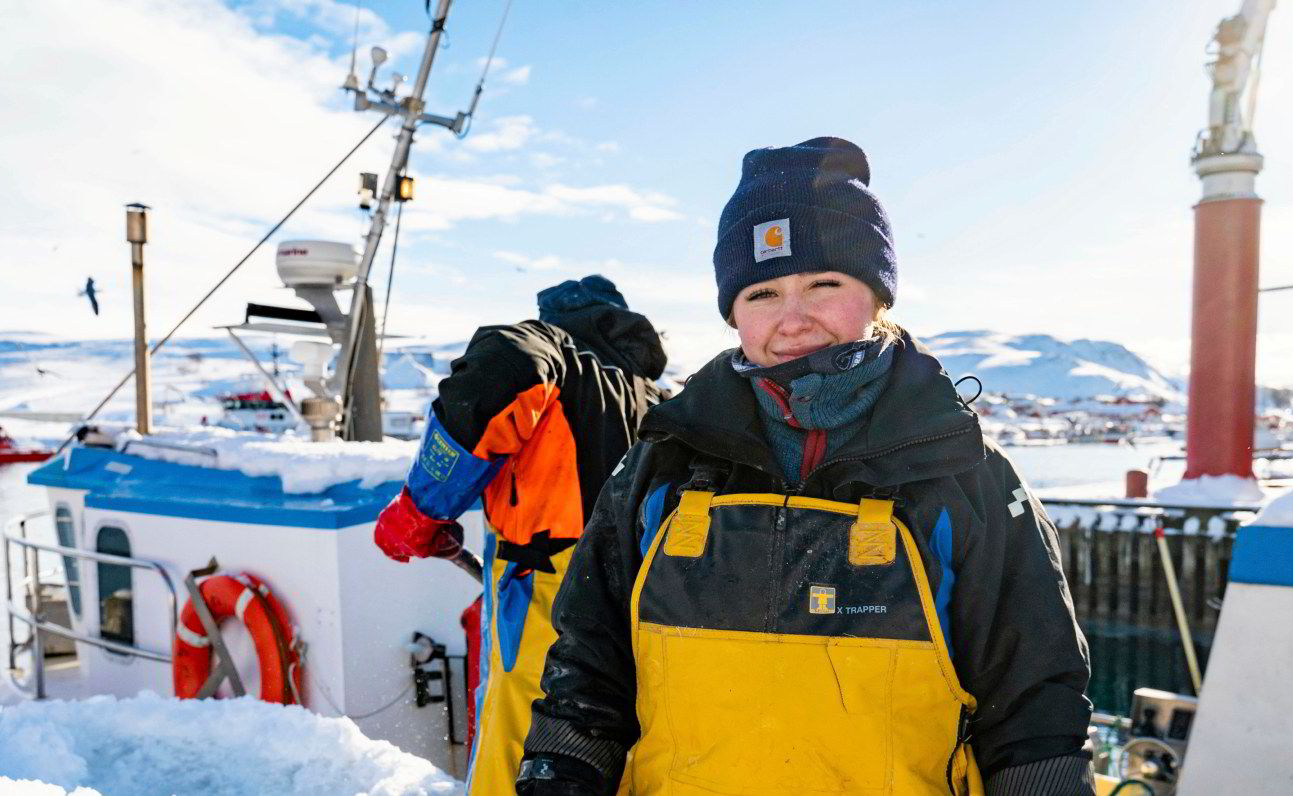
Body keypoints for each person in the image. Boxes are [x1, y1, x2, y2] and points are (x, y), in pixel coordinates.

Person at [516, 138, 1093, 796]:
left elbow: (1035, 704)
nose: (792, 319)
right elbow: (588, 669)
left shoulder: (964, 473)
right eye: (762, 293)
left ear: (877, 297)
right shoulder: (664, 462)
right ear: (733, 313)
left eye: (824, 284)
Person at [372, 275, 668, 795]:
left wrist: (421, 509)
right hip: (643, 598)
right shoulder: (654, 398)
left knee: (521, 735)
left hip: (548, 593)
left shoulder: (554, 349)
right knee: (608, 739)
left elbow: (502, 369)